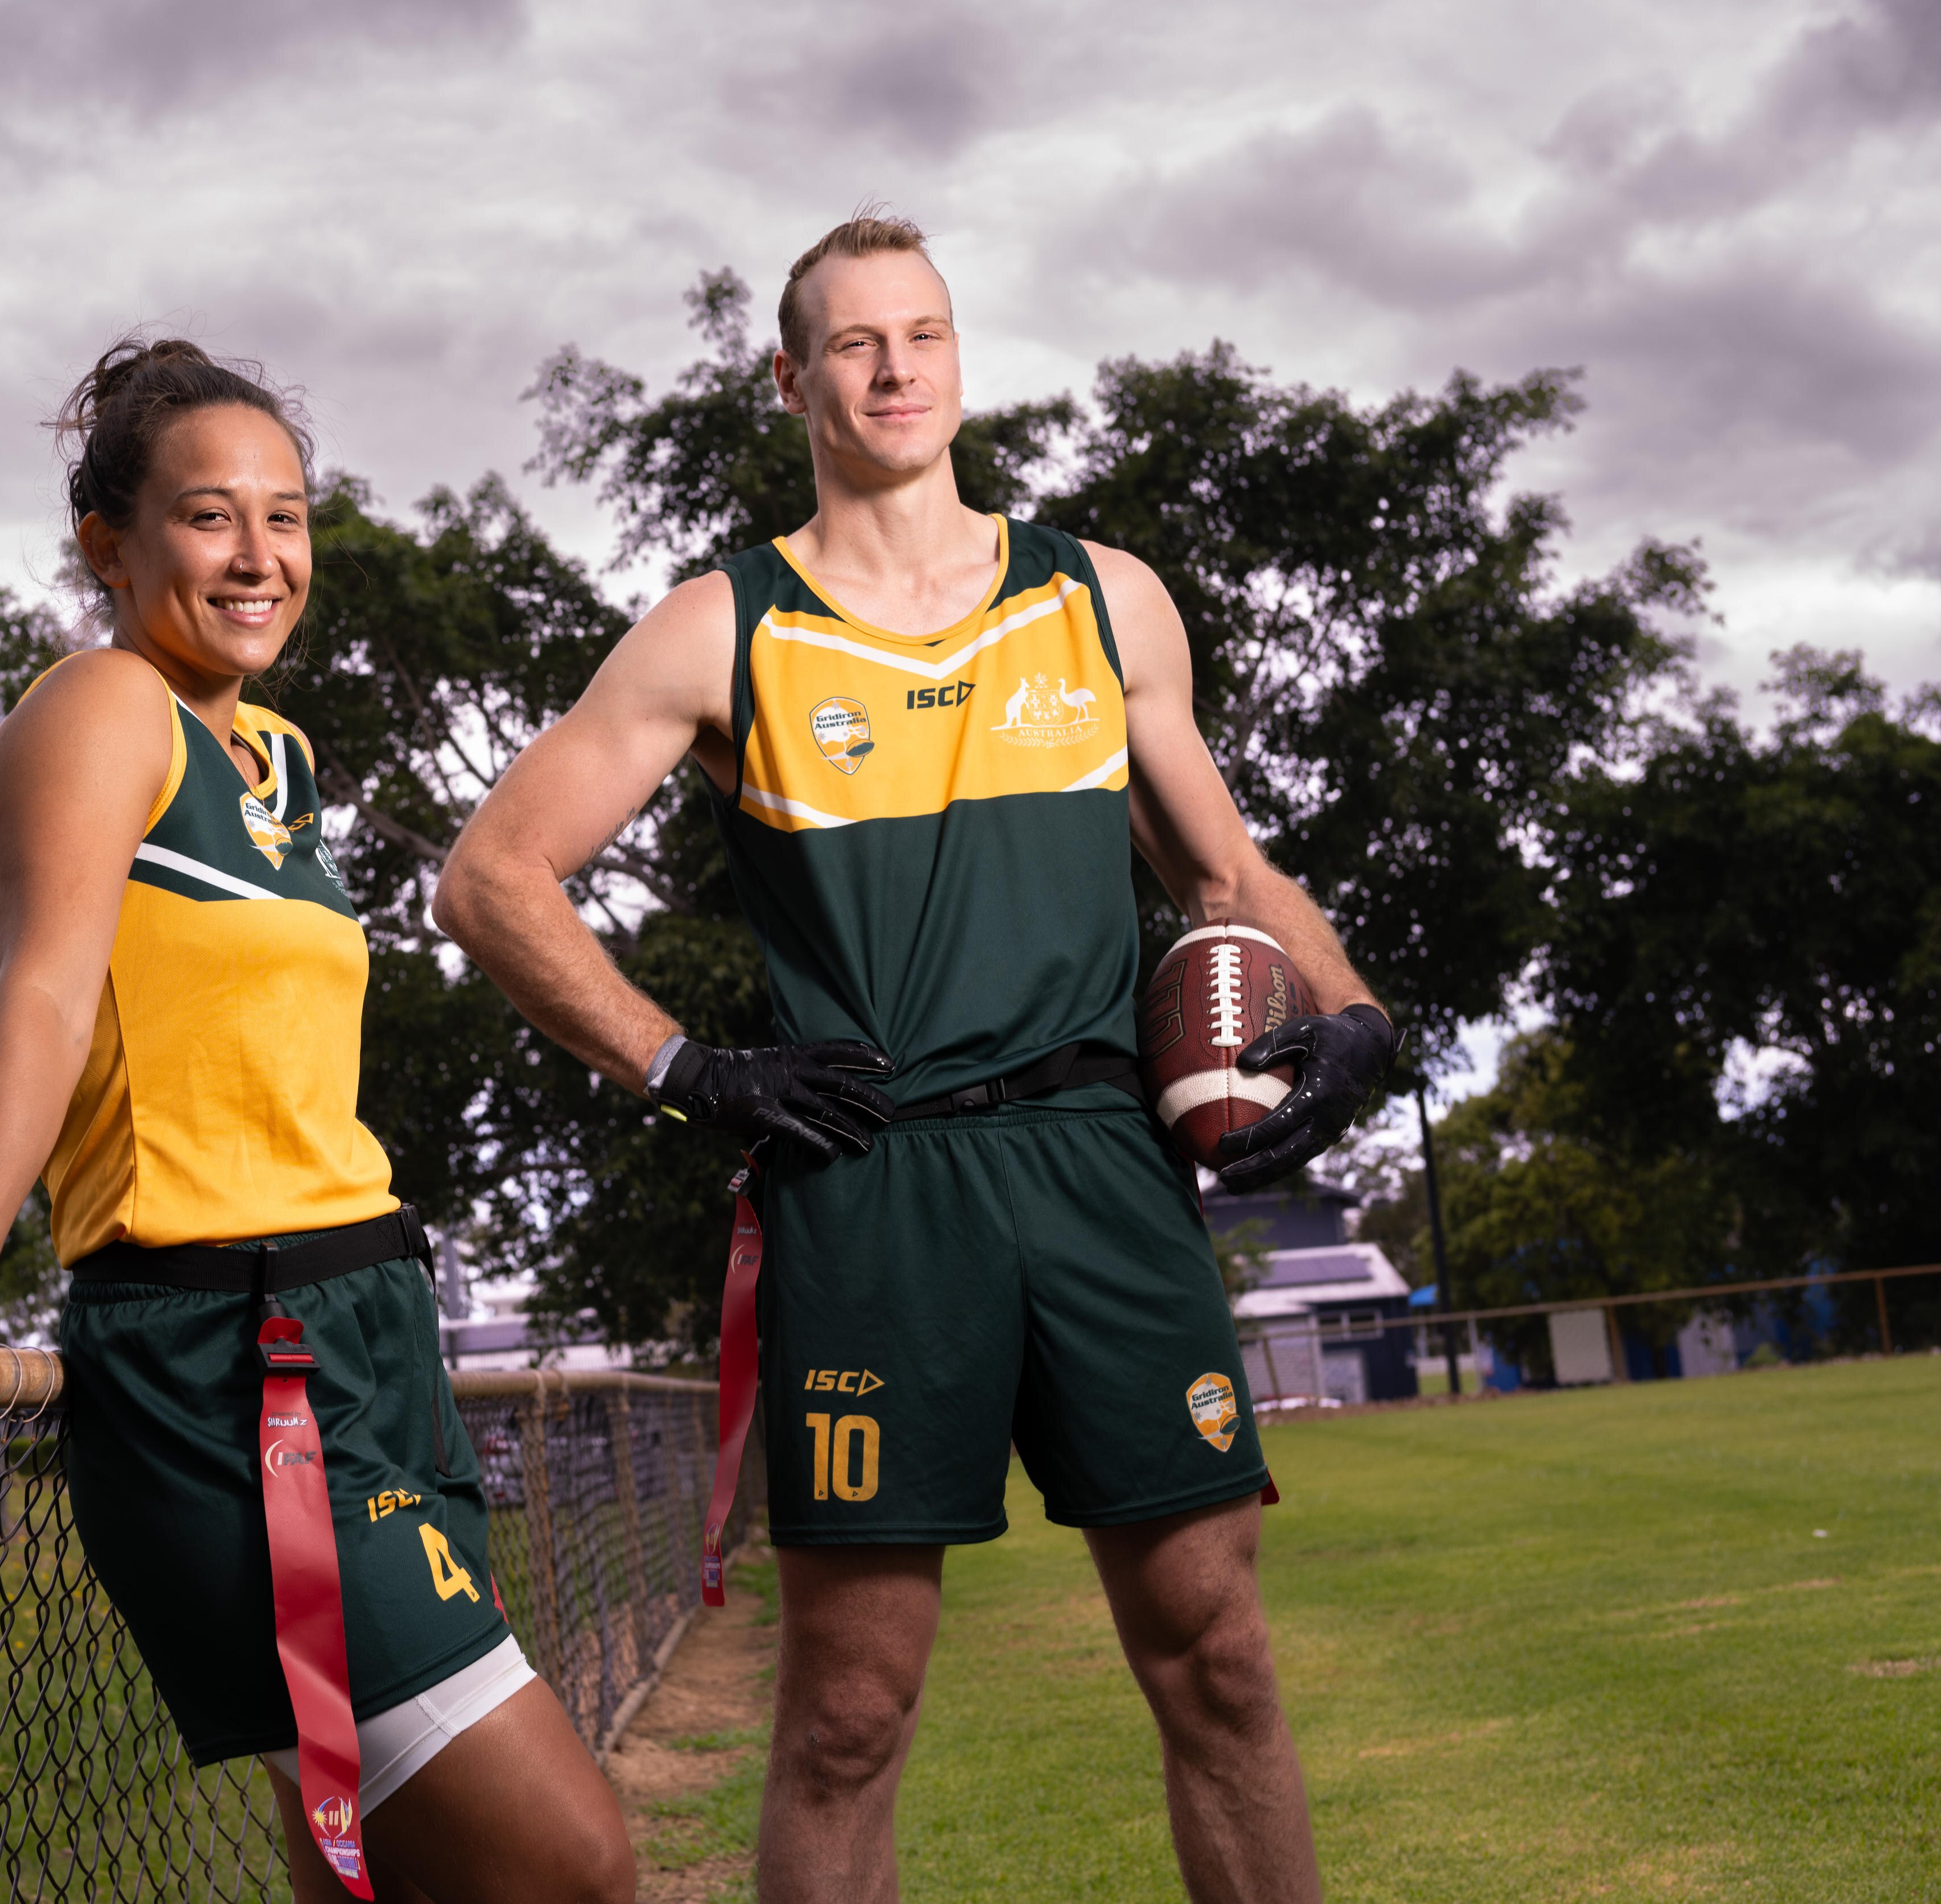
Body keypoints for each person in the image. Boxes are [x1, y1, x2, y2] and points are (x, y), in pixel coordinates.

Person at [432, 214, 1396, 1904]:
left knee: (1220, 1655)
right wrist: (683, 1067)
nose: (897, 370)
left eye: (926, 335)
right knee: (852, 1713)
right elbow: (491, 875)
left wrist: (1357, 1012)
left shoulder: (1102, 599)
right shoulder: (723, 629)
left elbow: (1226, 877)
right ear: (793, 376)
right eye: (859, 343)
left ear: (960, 359)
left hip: (1104, 1166)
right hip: (875, 1184)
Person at [0, 338, 633, 1904]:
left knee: (369, 1872)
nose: (262, 556)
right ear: (109, 546)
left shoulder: (279, 755)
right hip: (226, 1356)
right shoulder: (101, 710)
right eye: (211, 517)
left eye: (289, 515)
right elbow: (46, 1000)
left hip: (364, 1324)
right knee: (573, 1864)